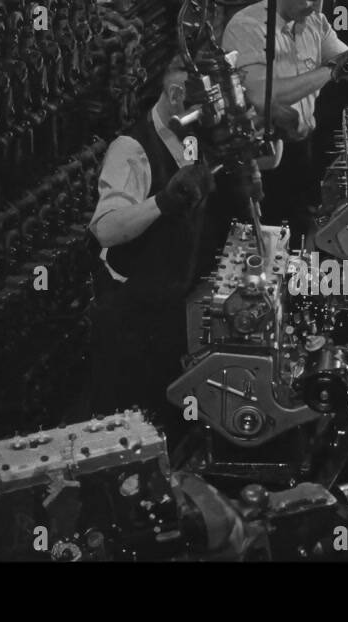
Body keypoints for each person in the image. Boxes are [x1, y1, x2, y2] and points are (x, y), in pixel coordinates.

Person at [86, 55, 275, 430]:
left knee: (177, 419)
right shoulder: (132, 149)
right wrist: (162, 202)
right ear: (175, 95)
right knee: (135, 425)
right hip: (135, 320)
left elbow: (265, 161)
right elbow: (105, 229)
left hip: (179, 308)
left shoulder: (194, 137)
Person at [221, 0, 348, 245]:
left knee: (300, 232)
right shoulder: (246, 27)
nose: (316, 7)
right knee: (270, 244)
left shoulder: (314, 21)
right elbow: (263, 94)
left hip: (302, 150)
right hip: (264, 161)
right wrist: (332, 70)